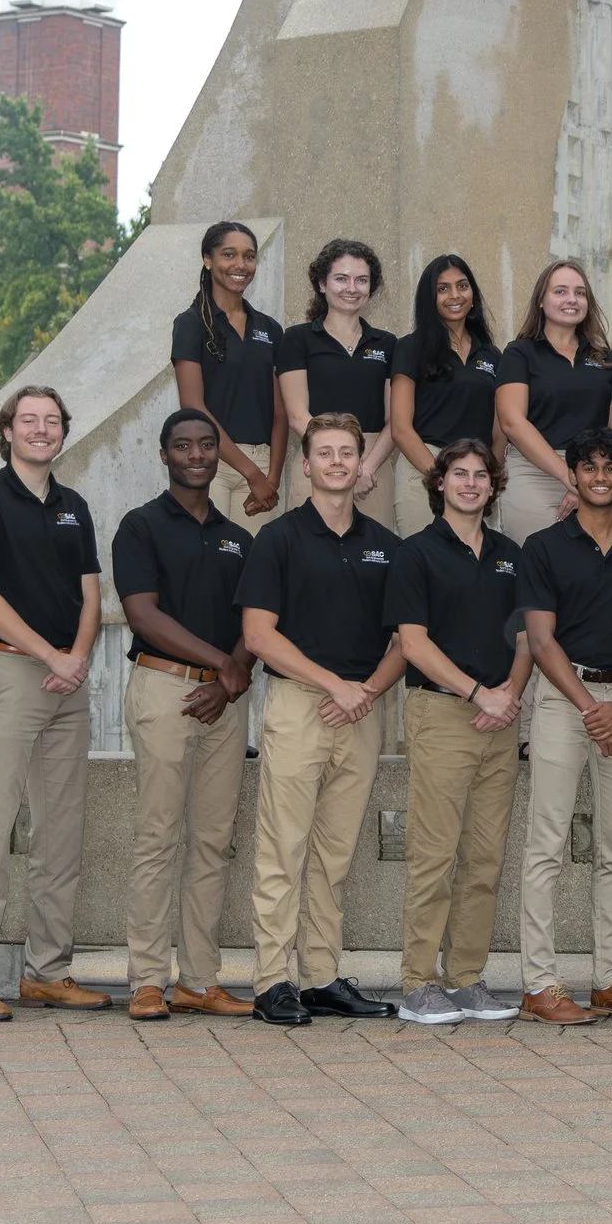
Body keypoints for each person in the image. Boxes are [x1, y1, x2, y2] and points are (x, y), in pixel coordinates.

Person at [0, 386, 108, 1022]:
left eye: (53, 421)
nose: (41, 430)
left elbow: (91, 593)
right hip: (9, 675)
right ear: (7, 431)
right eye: (28, 421)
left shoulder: (74, 505)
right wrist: (50, 656)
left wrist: (77, 659)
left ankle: (48, 973)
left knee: (60, 835)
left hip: (67, 681)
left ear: (64, 431)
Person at [236, 413, 408, 1027]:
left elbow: (405, 639)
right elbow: (258, 635)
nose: (336, 463)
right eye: (324, 453)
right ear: (305, 466)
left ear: (361, 466)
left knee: (335, 855)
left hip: (363, 708)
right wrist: (333, 683)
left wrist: (366, 691)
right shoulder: (277, 540)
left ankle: (319, 977)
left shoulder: (386, 547)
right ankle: (270, 983)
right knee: (283, 849)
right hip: (298, 706)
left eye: (347, 454)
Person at [511, 428, 612, 1025]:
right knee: (545, 846)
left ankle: (609, 980)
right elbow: (541, 640)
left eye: (611, 466)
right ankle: (540, 985)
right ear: (571, 474)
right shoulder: (543, 548)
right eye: (589, 466)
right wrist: (590, 710)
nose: (600, 475)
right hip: (561, 699)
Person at [111, 409, 257, 1021]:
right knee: (158, 838)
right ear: (165, 455)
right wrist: (225, 666)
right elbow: (144, 616)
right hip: (166, 690)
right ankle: (147, 979)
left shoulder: (239, 538)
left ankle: (199, 980)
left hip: (225, 702)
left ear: (217, 455)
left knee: (213, 842)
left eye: (205, 445)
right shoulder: (140, 526)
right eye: (183, 445)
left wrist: (231, 676)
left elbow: (257, 620)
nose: (196, 454)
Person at [388, 439, 533, 1027]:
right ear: (439, 483)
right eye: (460, 474)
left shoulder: (510, 554)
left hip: (501, 718)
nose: (471, 484)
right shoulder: (416, 554)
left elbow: (527, 637)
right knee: (434, 852)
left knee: (484, 857)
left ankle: (467, 979)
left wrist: (509, 698)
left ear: (494, 486)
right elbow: (413, 644)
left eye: (481, 475)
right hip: (444, 714)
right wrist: (479, 694)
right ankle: (418, 983)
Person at [172, 221, 287, 535]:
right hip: (212, 466)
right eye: (229, 254)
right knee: (213, 573)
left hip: (264, 467)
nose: (241, 265)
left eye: (249, 257)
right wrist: (250, 473)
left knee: (256, 575)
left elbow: (280, 412)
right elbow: (194, 409)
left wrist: (271, 477)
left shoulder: (271, 330)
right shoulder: (190, 324)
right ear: (208, 260)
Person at [276, 238, 397, 528]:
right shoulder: (297, 339)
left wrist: (362, 468)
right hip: (316, 460)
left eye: (361, 280)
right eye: (341, 279)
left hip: (373, 468)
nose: (351, 288)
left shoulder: (389, 344)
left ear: (372, 287)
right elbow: (296, 415)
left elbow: (397, 420)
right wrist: (335, 457)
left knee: (375, 561)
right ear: (321, 284)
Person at [497, 259, 612, 544]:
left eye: (580, 293)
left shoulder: (605, 359)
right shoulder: (519, 353)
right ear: (541, 300)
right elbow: (511, 422)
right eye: (561, 291)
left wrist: (589, 476)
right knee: (539, 564)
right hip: (533, 471)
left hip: (593, 472)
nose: (571, 300)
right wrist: (570, 478)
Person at [388, 253, 502, 528]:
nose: (455, 295)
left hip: (477, 475)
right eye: (443, 288)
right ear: (430, 298)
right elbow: (401, 428)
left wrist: (490, 479)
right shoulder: (410, 348)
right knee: (424, 565)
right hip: (424, 470)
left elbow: (499, 432)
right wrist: (442, 477)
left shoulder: (492, 354)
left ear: (472, 293)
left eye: (462, 286)